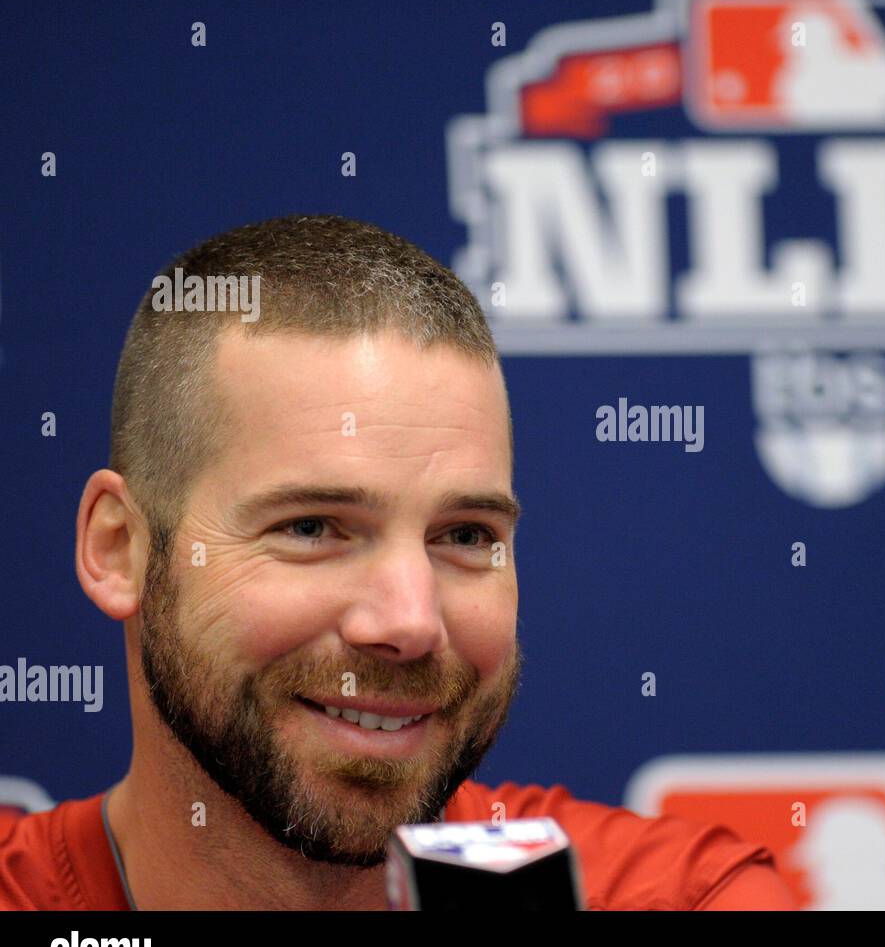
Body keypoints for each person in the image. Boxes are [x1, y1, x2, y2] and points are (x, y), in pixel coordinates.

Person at [0, 214, 795, 911]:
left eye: (466, 535)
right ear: (120, 549)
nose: (410, 621)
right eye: (313, 526)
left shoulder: (681, 899)